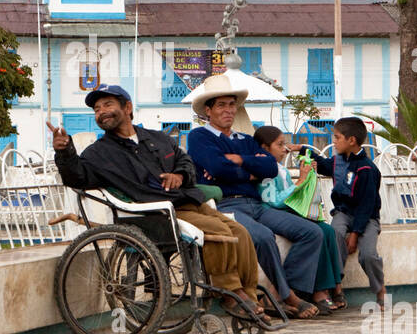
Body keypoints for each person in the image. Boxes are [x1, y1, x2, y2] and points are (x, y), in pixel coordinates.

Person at [51, 84, 268, 320]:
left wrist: (180, 176)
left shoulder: (158, 138)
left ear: (128, 107)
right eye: (97, 108)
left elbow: (185, 163)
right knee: (218, 232)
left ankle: (249, 297)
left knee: (241, 233)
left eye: (108, 105)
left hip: (187, 201)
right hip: (155, 212)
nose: (101, 111)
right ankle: (230, 293)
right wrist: (64, 152)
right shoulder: (98, 153)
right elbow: (77, 178)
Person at [186, 74, 325, 320]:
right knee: (262, 236)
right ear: (208, 110)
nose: (228, 110)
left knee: (312, 232)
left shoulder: (246, 140)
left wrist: (238, 161)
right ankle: (288, 296)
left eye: (232, 104)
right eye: (221, 105)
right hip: (225, 205)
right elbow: (217, 168)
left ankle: (280, 291)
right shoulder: (199, 137)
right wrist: (251, 170)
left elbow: (270, 168)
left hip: (256, 204)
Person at [253, 125, 343, 312]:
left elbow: (289, 196)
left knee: (326, 230)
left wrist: (307, 175)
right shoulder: (265, 169)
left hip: (286, 211)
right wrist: (301, 181)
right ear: (264, 148)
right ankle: (303, 291)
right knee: (314, 231)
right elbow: (275, 200)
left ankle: (330, 287)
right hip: (271, 212)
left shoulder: (281, 170)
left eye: (284, 144)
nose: (284, 149)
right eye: (279, 145)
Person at [325, 117, 387, 308]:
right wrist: (302, 151)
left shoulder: (367, 168)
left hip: (366, 218)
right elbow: (322, 164)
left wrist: (355, 235)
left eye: (337, 137)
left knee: (368, 254)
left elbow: (367, 205)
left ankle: (380, 289)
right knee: (333, 234)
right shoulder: (340, 162)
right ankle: (336, 287)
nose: (333, 142)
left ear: (351, 140)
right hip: (343, 213)